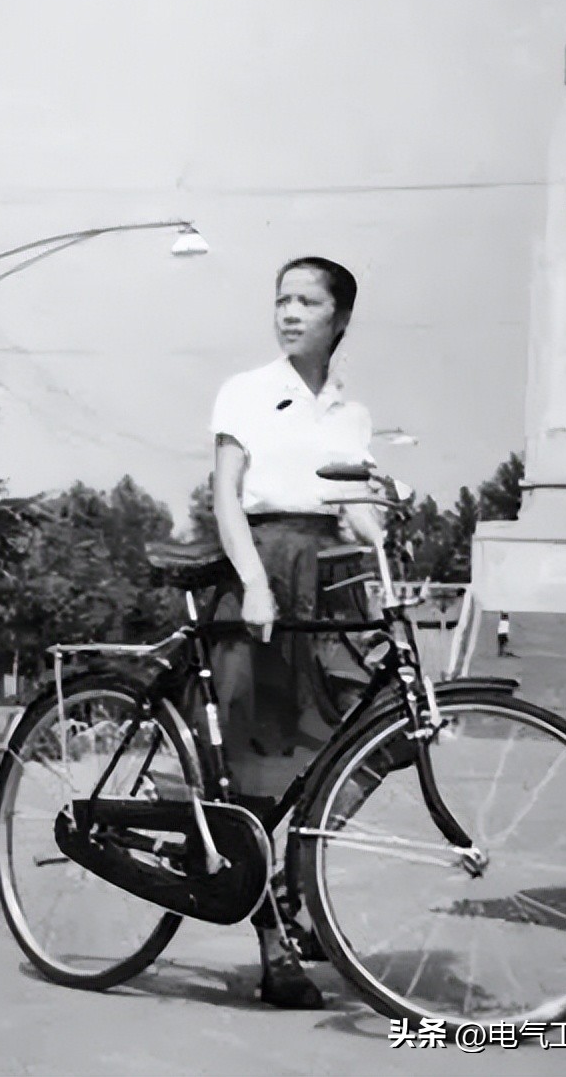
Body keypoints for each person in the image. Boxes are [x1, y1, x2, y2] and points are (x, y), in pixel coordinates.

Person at [211, 256, 385, 1010]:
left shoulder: (351, 413)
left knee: (377, 732)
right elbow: (225, 495)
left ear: (339, 318)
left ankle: (293, 878)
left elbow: (356, 506)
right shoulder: (247, 391)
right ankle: (275, 945)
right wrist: (253, 582)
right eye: (282, 299)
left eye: (307, 302)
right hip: (265, 568)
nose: (289, 313)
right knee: (261, 759)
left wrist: (382, 527)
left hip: (332, 581)